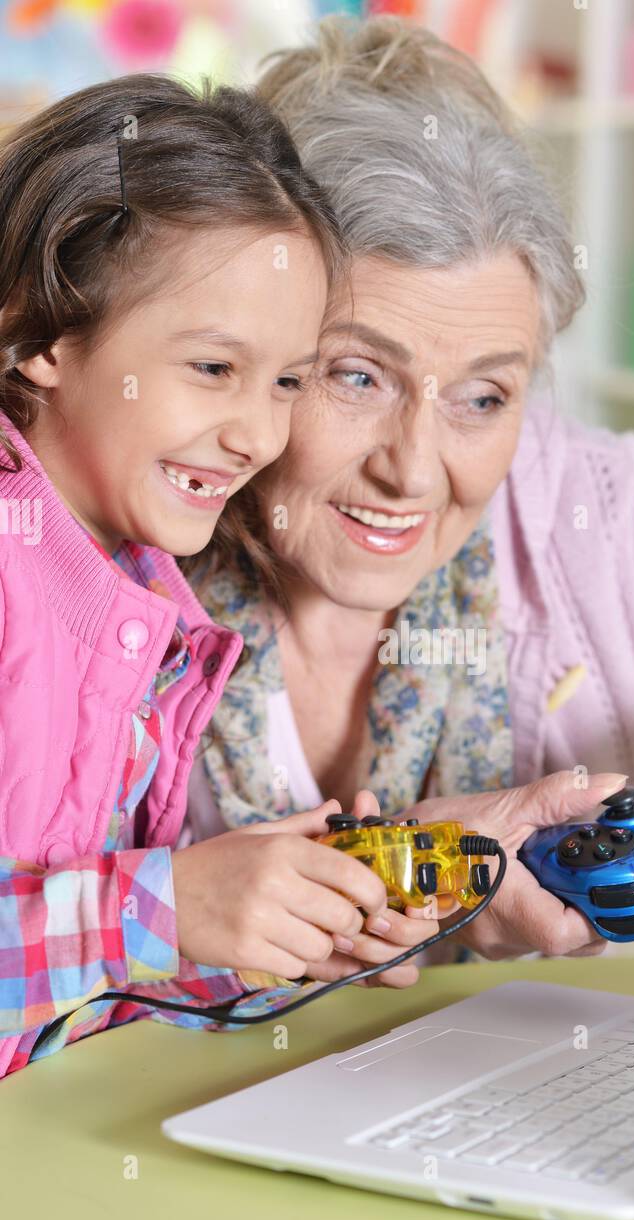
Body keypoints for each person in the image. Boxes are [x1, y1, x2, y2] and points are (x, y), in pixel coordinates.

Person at [184, 17, 634, 989]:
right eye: (356, 377)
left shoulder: (594, 517)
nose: (414, 471)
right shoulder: (119, 524)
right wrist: (175, 903)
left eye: (483, 397)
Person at [0, 72, 398, 1078]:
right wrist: (170, 904)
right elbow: (118, 922)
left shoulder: (136, 586)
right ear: (40, 330)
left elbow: (76, 989)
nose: (257, 434)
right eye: (213, 369)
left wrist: (281, 938)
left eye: (288, 381)